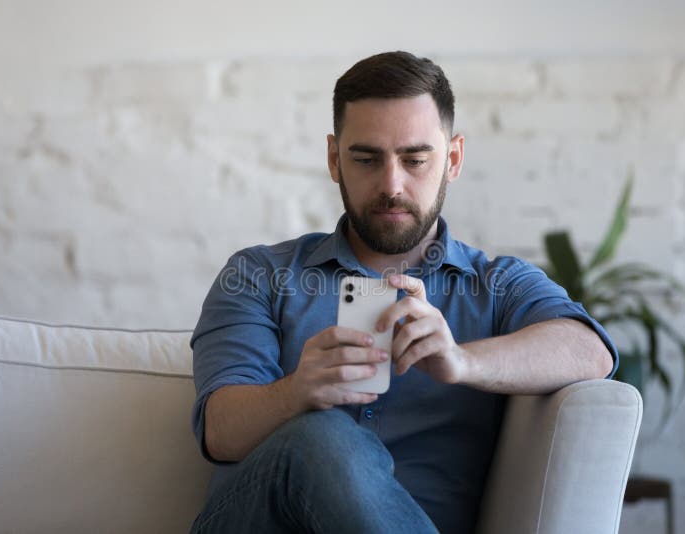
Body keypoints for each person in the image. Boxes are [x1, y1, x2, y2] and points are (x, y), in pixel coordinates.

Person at [189, 51, 618, 534]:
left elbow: (590, 351)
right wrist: (295, 394)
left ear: (453, 159)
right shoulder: (259, 274)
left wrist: (462, 360)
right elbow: (219, 432)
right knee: (322, 434)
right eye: (366, 159)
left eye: (415, 159)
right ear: (334, 159)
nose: (391, 185)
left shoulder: (495, 285)